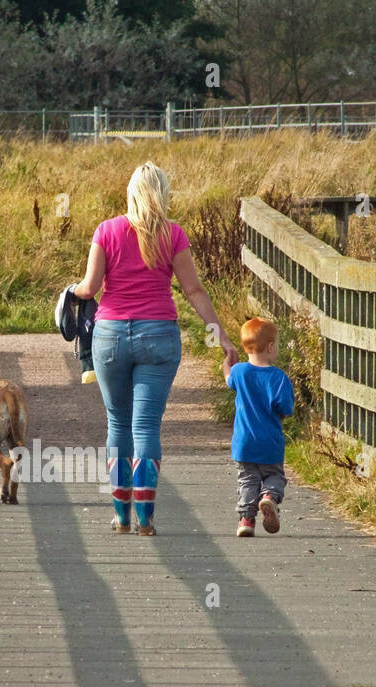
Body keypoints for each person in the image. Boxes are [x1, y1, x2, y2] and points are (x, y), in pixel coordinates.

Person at [72, 162, 238, 535]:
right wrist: (222, 337)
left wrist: (70, 292)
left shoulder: (107, 230)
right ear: (162, 193)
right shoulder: (173, 235)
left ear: (130, 193)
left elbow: (90, 288)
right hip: (159, 335)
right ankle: (146, 518)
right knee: (146, 426)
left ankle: (121, 516)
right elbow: (194, 290)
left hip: (111, 335)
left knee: (118, 423)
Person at [225, 317, 295, 538]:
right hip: (270, 442)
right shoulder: (278, 377)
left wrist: (226, 364)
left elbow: (228, 378)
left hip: (244, 443)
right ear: (271, 347)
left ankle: (246, 520)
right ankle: (269, 497)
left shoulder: (239, 372)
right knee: (274, 475)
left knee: (247, 480)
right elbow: (285, 408)